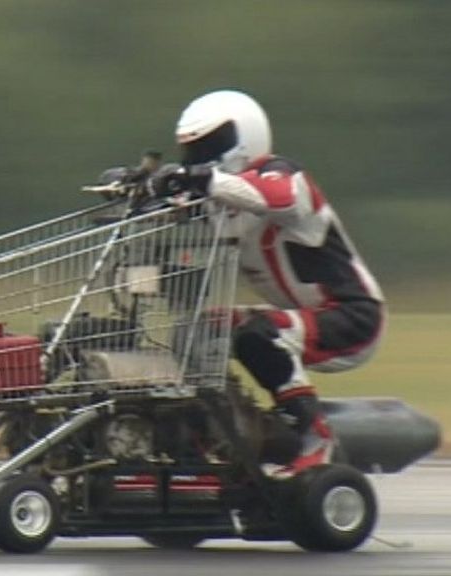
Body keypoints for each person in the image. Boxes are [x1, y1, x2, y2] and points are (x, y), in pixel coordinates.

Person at [149, 89, 385, 478]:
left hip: (353, 315)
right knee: (197, 330)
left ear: (245, 135)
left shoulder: (284, 176)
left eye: (212, 144)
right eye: (194, 150)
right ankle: (218, 431)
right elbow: (174, 210)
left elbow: (274, 198)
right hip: (301, 316)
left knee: (261, 335)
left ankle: (316, 438)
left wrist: (203, 178)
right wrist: (143, 188)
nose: (202, 156)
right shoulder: (218, 198)